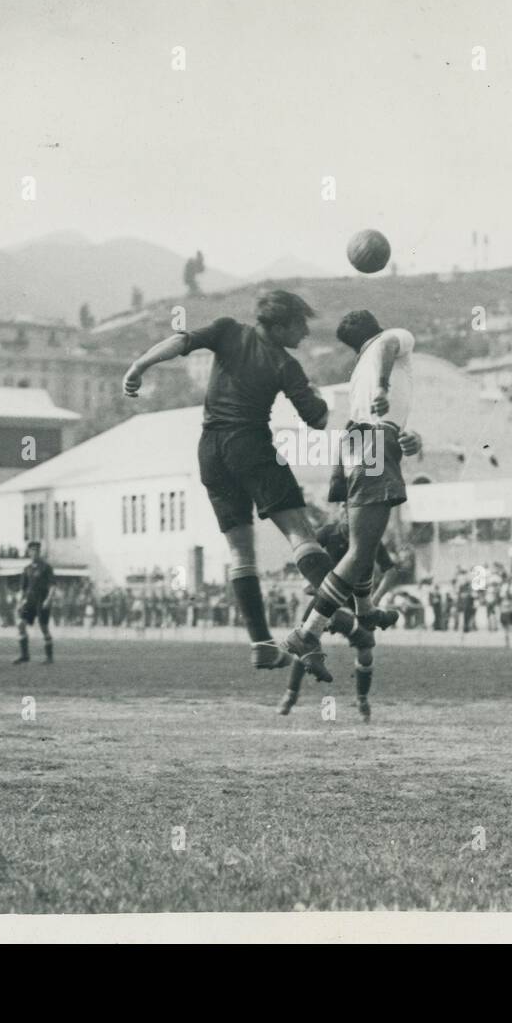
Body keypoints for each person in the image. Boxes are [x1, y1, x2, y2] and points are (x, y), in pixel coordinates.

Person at [123, 290, 342, 677]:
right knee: (300, 533)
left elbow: (180, 341)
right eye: (299, 324)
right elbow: (317, 420)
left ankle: (261, 645)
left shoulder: (226, 331)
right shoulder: (284, 363)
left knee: (241, 553)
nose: (306, 332)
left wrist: (139, 365)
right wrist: (323, 400)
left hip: (210, 451)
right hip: (251, 445)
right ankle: (343, 612)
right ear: (277, 326)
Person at [286, 310, 416, 721]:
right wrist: (383, 389)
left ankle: (365, 612)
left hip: (360, 442)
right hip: (376, 440)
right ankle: (307, 634)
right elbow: (390, 347)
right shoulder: (389, 340)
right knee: (361, 550)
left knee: (367, 540)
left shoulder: (360, 364)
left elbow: (368, 419)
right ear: (376, 328)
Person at [14, 540, 54, 664]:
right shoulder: (27, 569)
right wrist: (19, 602)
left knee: (44, 628)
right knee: (21, 624)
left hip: (41, 601)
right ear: (29, 552)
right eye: (31, 550)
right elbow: (22, 589)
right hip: (29, 601)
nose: (34, 553)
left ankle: (49, 657)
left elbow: (52, 586)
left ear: (39, 552)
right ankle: (24, 655)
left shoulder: (46, 567)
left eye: (36, 550)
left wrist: (48, 599)